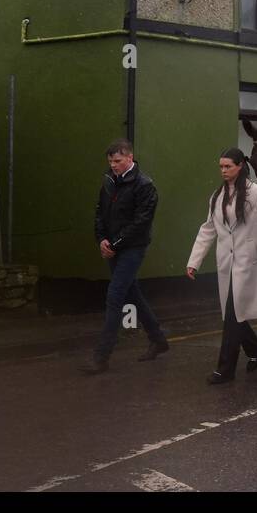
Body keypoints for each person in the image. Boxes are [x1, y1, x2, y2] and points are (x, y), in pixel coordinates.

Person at [186, 147, 257, 385]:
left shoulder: (255, 193)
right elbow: (208, 229)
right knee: (235, 314)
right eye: (221, 167)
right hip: (227, 262)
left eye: (228, 166)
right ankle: (256, 349)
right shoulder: (217, 196)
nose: (223, 171)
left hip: (247, 261)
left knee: (233, 315)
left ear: (240, 166)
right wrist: (194, 262)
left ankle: (225, 370)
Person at [83, 139, 168, 374]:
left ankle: (101, 357)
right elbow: (99, 211)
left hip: (132, 247)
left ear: (130, 158)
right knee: (132, 293)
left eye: (118, 161)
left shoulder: (144, 185)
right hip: (112, 246)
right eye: (111, 161)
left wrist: (115, 243)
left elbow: (141, 223)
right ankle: (158, 340)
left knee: (115, 294)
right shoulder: (109, 180)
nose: (114, 165)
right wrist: (101, 239)